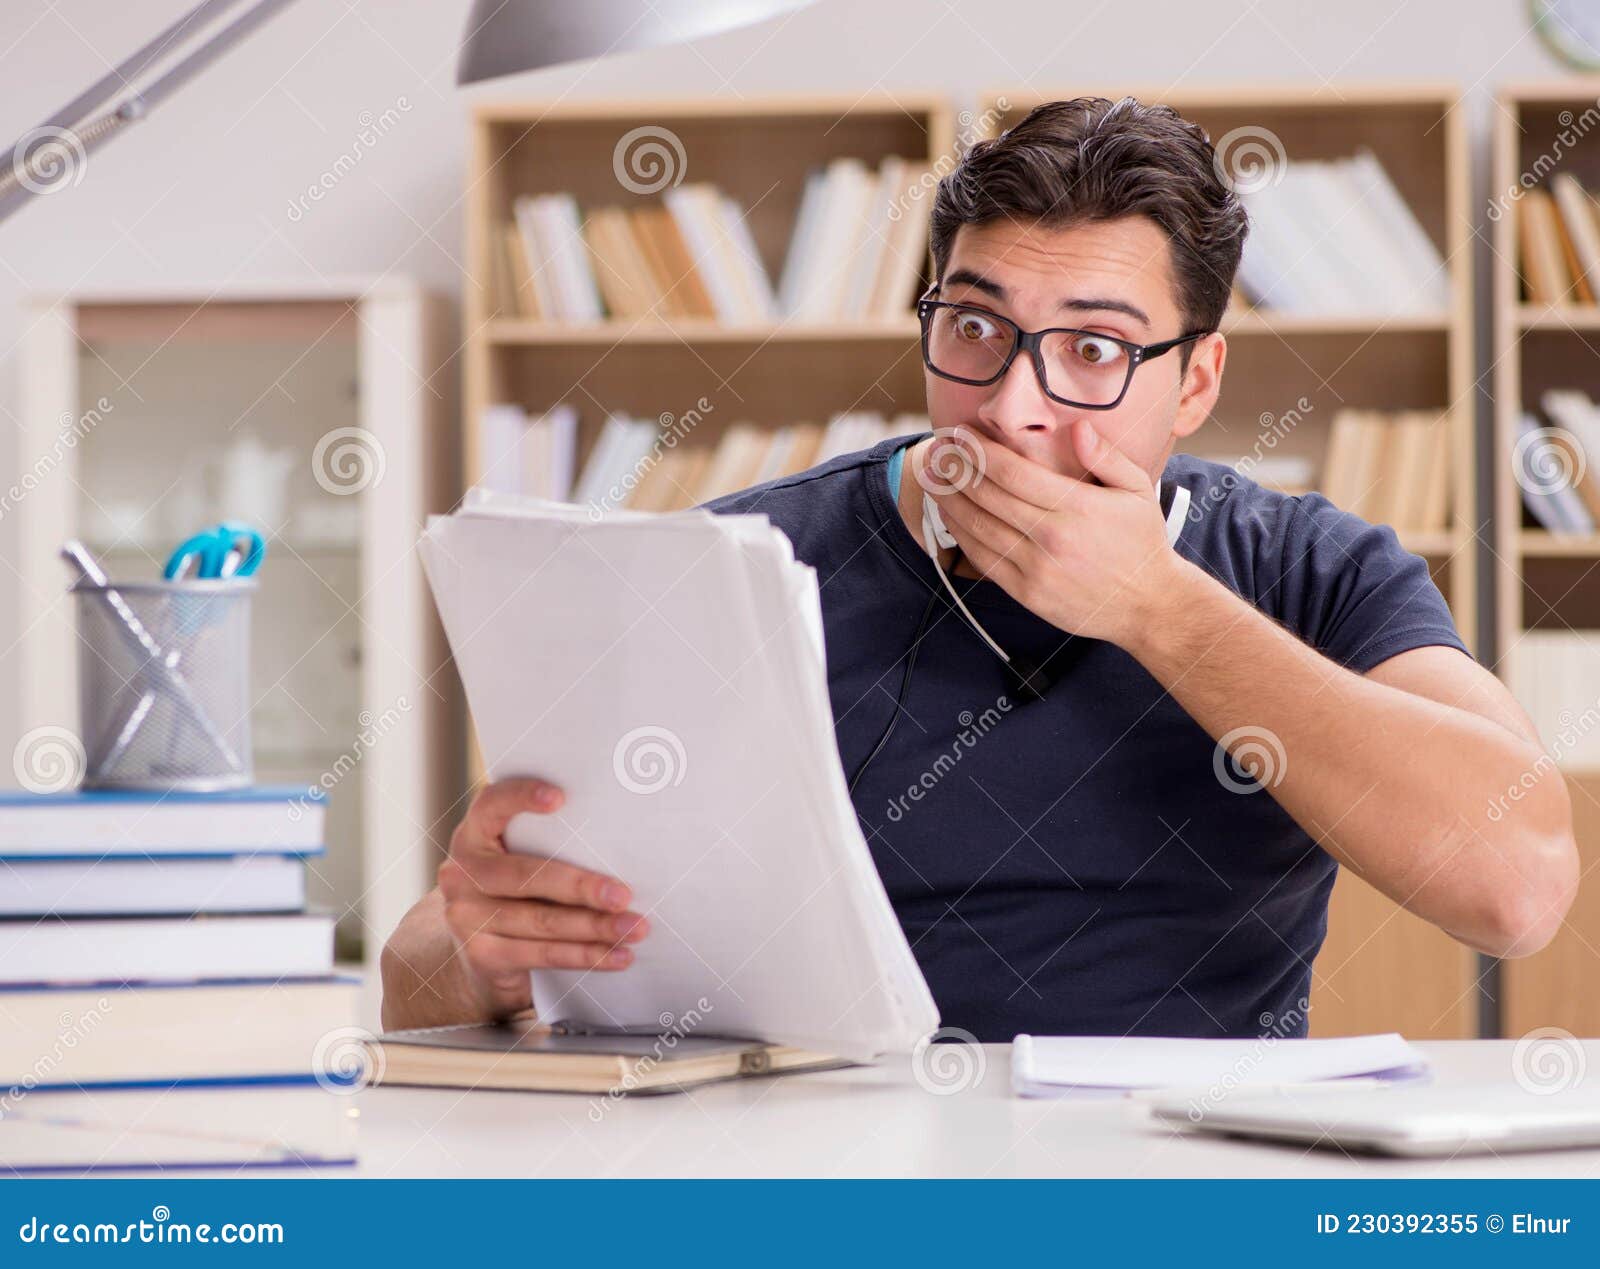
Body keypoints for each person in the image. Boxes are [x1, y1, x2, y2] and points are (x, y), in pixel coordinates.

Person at [381, 97, 1576, 1040]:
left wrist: (1160, 610)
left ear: (1195, 383)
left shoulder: (1309, 571)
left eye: (1094, 349)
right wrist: (476, 954)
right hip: (824, 1187)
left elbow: (1517, 889)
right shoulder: (732, 569)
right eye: (974, 326)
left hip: (1183, 1185)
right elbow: (420, 977)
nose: (1011, 406)